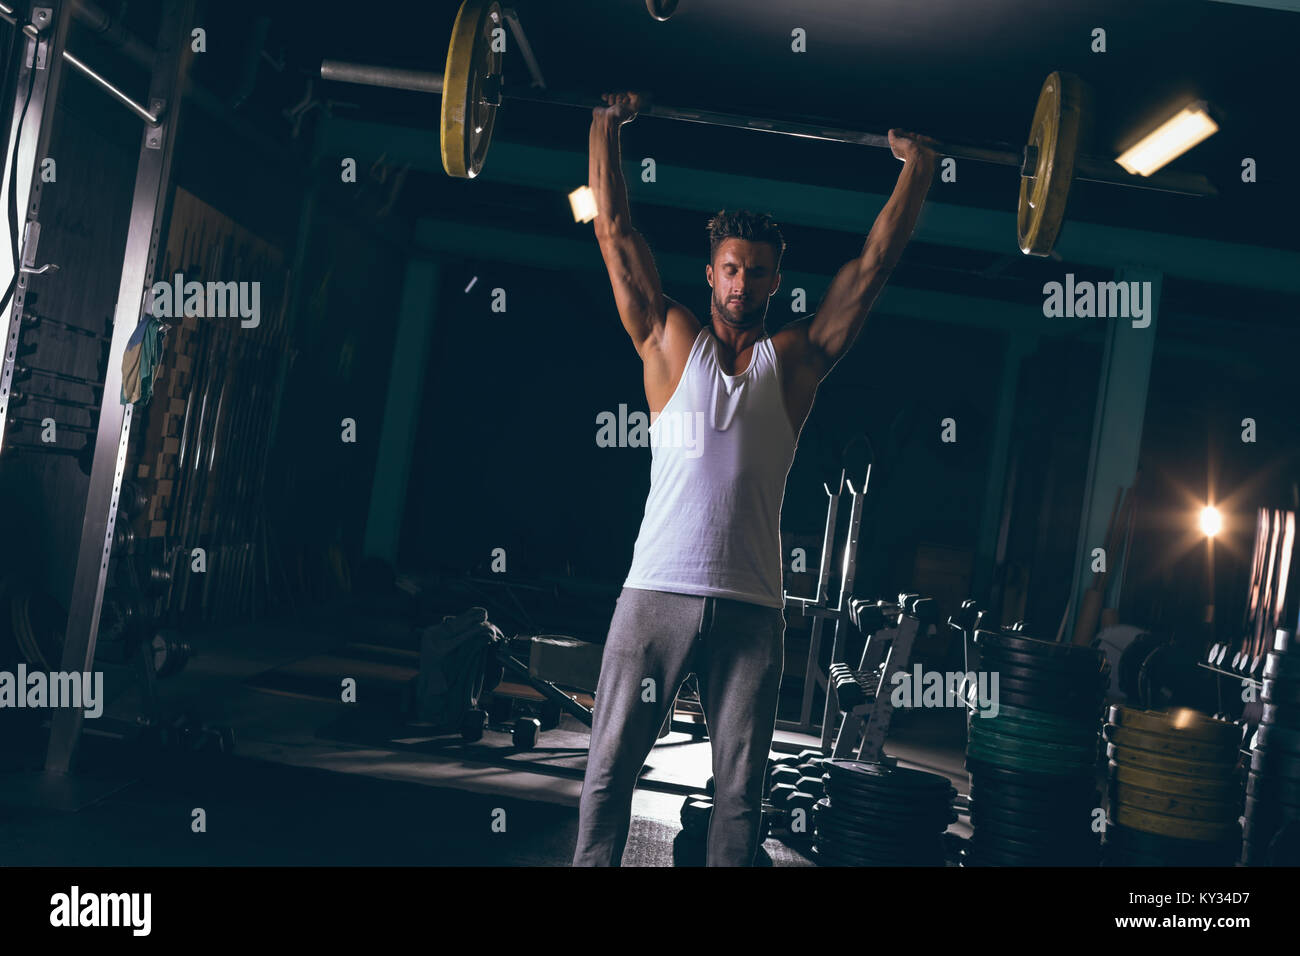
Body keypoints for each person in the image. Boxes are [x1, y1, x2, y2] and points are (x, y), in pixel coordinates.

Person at [572, 91, 936, 866]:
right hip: (654, 594)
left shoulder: (796, 362)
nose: (742, 284)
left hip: (752, 606)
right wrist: (605, 129)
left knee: (742, 793)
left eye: (758, 274)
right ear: (711, 271)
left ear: (776, 284)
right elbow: (615, 230)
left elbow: (873, 268)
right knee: (608, 772)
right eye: (732, 269)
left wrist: (918, 171)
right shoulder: (668, 341)